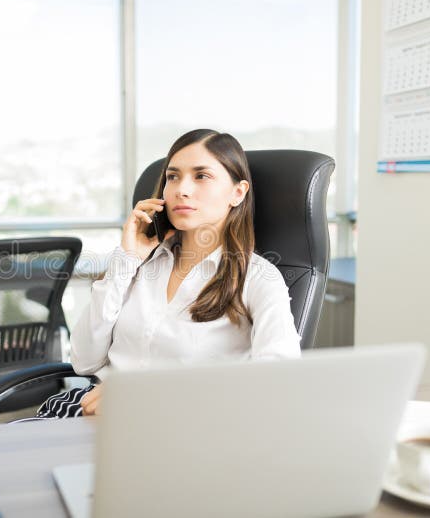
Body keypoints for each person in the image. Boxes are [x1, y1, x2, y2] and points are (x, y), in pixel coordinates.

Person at [28, 129, 301, 420]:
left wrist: (144, 395)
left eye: (201, 176)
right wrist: (126, 259)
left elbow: (275, 386)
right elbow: (83, 360)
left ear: (238, 192)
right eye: (173, 177)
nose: (182, 189)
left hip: (171, 425)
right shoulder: (142, 263)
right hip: (87, 409)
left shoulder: (258, 279)